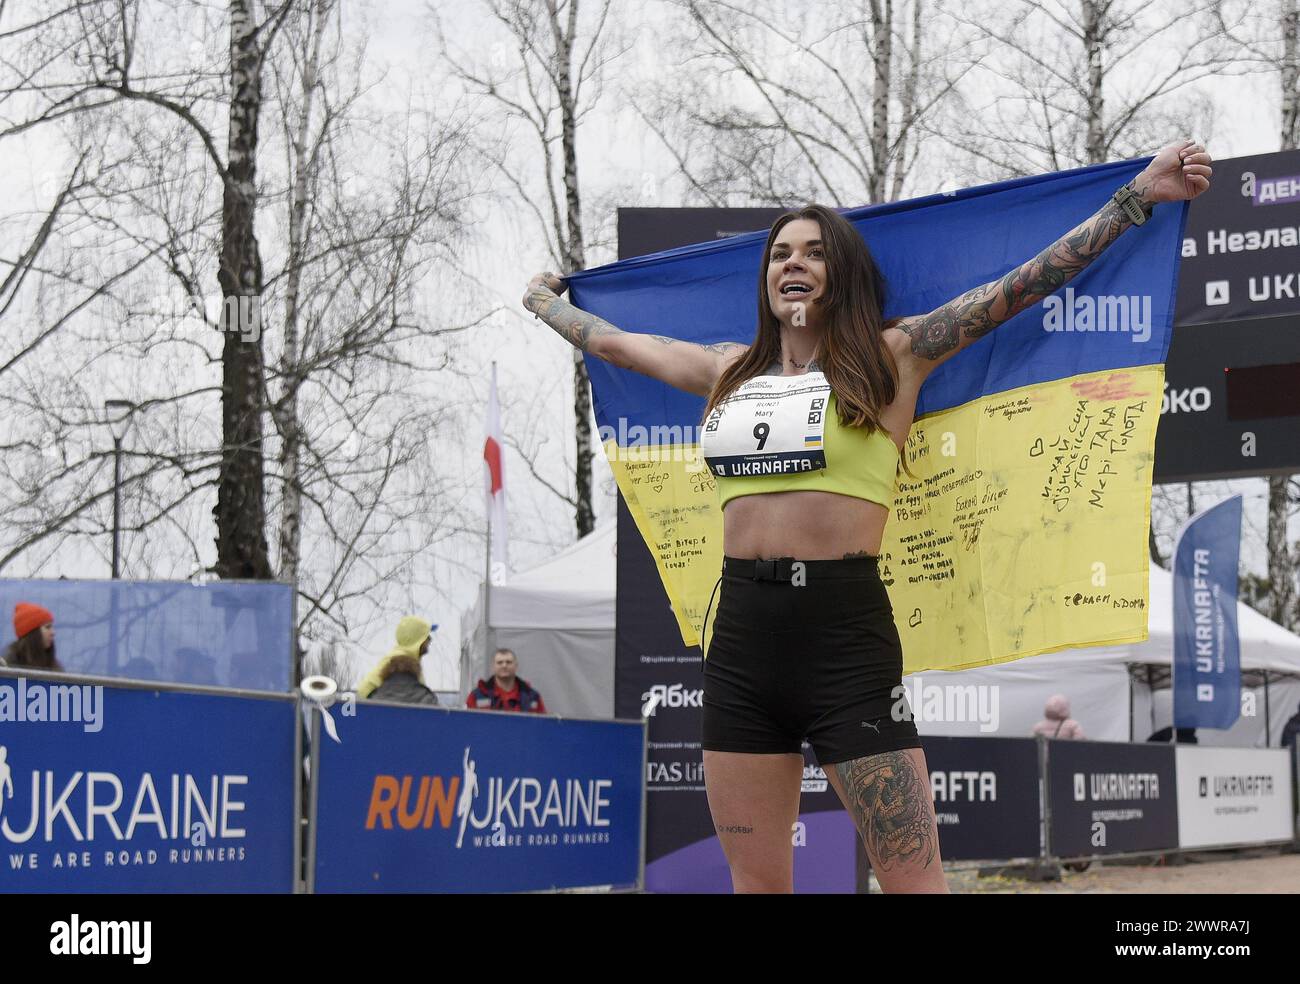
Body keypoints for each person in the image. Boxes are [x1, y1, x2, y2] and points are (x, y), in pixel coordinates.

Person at [523, 141, 1212, 894]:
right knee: (757, 887)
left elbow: (1016, 289)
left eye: (815, 253)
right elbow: (621, 347)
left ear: (840, 272)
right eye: (781, 253)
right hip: (742, 642)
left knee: (913, 882)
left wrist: (1134, 200)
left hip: (844, 638)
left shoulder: (894, 358)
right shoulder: (727, 370)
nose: (794, 263)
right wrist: (552, 306)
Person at [358, 617, 438, 705]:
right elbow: (364, 689)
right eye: (427, 636)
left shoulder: (397, 657)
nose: (430, 639)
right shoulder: (397, 660)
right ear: (418, 638)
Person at [466, 648, 547, 713]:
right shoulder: (476, 696)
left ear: (516, 666)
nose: (504, 665)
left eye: (508, 662)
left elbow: (543, 727)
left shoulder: (532, 697)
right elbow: (466, 725)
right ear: (493, 666)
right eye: (499, 662)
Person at [4, 603, 61, 671]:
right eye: (47, 627)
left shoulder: (54, 667)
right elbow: (21, 681)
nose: (53, 633)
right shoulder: (8, 668)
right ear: (33, 633)